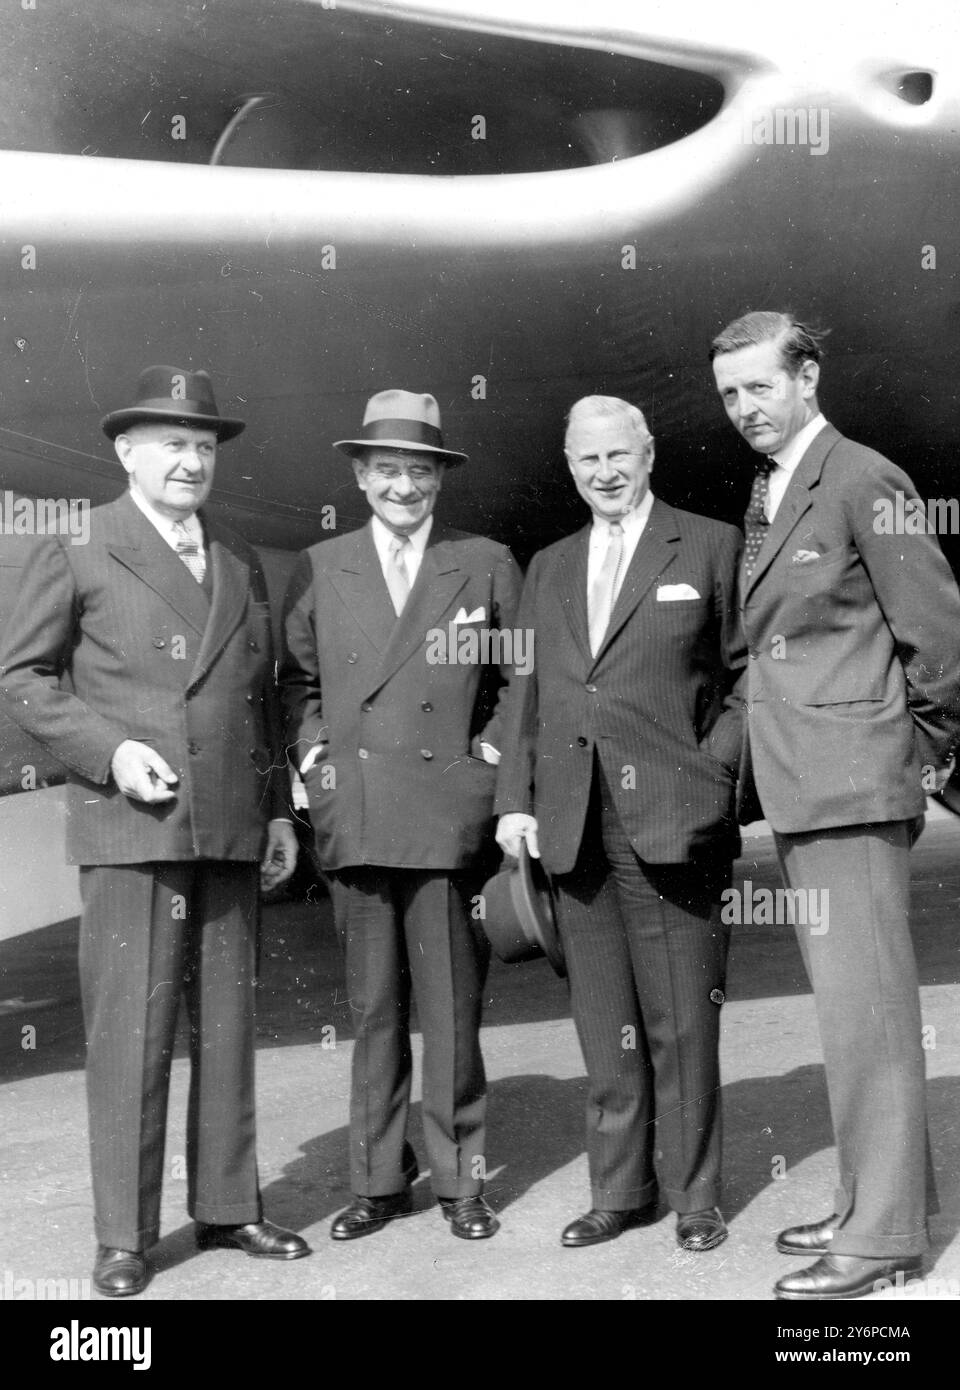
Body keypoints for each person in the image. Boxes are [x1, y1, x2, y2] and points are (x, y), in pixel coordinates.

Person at [0, 366, 309, 1297]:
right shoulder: (82, 545)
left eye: (204, 447)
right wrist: (110, 751)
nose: (189, 462)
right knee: (131, 1033)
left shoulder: (244, 559)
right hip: (132, 823)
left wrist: (282, 810)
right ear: (126, 452)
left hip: (228, 824)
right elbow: (25, 679)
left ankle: (227, 1204)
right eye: (171, 444)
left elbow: (265, 697)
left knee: (227, 1026)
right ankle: (124, 1234)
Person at [710, 309, 960, 1300]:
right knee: (852, 1015)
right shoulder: (771, 491)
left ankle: (883, 1239)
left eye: (760, 386)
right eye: (730, 394)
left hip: (851, 784)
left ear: (807, 376)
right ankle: (879, 1202)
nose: (744, 409)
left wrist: (908, 756)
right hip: (805, 788)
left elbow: (939, 636)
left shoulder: (862, 477)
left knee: (870, 1017)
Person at [495, 395, 744, 1253]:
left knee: (682, 1018)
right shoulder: (550, 565)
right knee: (607, 1023)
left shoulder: (709, 545)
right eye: (586, 460)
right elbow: (524, 691)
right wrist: (515, 802)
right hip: (574, 820)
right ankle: (620, 1190)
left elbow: (745, 677)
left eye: (617, 456)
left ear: (648, 455)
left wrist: (716, 772)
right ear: (571, 468)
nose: (604, 473)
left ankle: (695, 1194)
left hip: (674, 817)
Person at [280, 389, 521, 1241]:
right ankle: (379, 1179)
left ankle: (460, 1178)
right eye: (387, 470)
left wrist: (487, 758)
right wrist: (316, 761)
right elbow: (297, 684)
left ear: (440, 479)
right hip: (361, 813)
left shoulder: (485, 560)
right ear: (359, 474)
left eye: (419, 471)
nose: (404, 487)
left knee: (452, 1008)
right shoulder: (321, 563)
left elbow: (515, 681)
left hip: (447, 816)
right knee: (374, 1007)